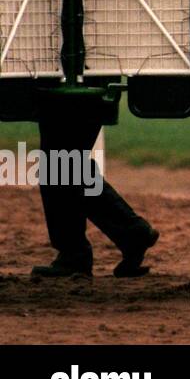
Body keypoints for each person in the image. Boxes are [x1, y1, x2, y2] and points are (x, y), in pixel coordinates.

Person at [32, 107, 159, 278]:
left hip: (70, 94)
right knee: (65, 165)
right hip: (87, 91)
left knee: (60, 165)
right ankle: (132, 234)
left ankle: (75, 254)